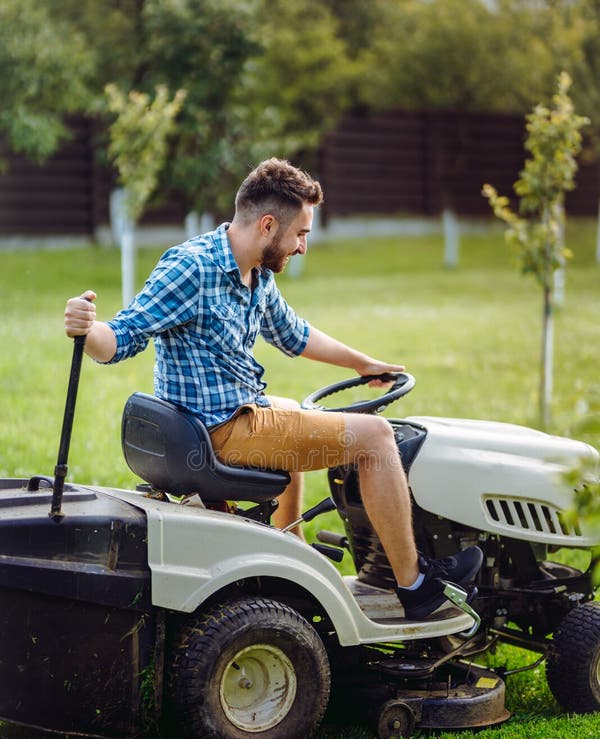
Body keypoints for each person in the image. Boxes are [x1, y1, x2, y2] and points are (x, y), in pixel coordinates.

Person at [64, 157, 481, 620]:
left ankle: (291, 550)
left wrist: (362, 362)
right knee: (378, 438)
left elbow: (293, 333)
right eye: (301, 234)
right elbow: (123, 336)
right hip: (216, 429)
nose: (303, 246)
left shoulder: (256, 272)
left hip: (234, 414)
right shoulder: (193, 268)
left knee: (286, 409)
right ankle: (417, 585)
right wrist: (88, 330)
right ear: (268, 225)